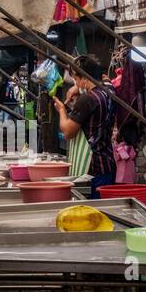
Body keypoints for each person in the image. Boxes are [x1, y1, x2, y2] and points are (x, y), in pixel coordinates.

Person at [53, 54, 117, 196]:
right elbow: (106, 79)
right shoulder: (110, 91)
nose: (77, 84)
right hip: (108, 164)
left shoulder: (87, 100)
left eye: (76, 79)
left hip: (92, 169)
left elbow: (68, 132)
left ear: (85, 78)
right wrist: (77, 86)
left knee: (91, 212)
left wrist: (62, 110)